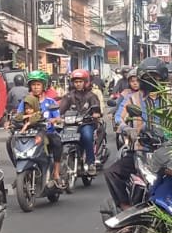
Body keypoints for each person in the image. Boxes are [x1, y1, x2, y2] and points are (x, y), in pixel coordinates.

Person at [107, 64, 163, 210]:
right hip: (141, 150)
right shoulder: (133, 98)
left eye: (154, 77)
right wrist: (128, 129)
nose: (151, 81)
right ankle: (126, 207)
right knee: (112, 172)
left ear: (161, 78)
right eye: (147, 78)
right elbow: (119, 117)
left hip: (167, 153)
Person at [10, 70, 64, 187]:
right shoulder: (25, 102)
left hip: (46, 132)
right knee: (10, 142)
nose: (35, 87)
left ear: (44, 86)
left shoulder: (50, 102)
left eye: (38, 85)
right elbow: (19, 115)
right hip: (28, 133)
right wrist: (12, 122)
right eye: (33, 85)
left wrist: (52, 120)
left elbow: (58, 118)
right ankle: (21, 169)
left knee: (57, 142)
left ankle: (56, 173)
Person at [58, 68, 103, 169]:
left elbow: (97, 109)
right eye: (76, 82)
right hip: (71, 124)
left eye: (80, 82)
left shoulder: (91, 96)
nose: (78, 84)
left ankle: (91, 162)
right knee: (59, 138)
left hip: (86, 123)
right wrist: (58, 117)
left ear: (85, 82)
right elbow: (61, 109)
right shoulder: (69, 96)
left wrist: (95, 114)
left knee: (87, 137)